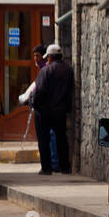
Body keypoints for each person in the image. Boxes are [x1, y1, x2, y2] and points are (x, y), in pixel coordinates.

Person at [31, 44, 74, 175]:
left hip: (44, 112)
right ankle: (64, 167)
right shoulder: (68, 70)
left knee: (44, 140)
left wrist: (34, 104)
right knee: (61, 139)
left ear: (49, 57)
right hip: (60, 111)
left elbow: (39, 92)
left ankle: (46, 168)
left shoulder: (45, 71)